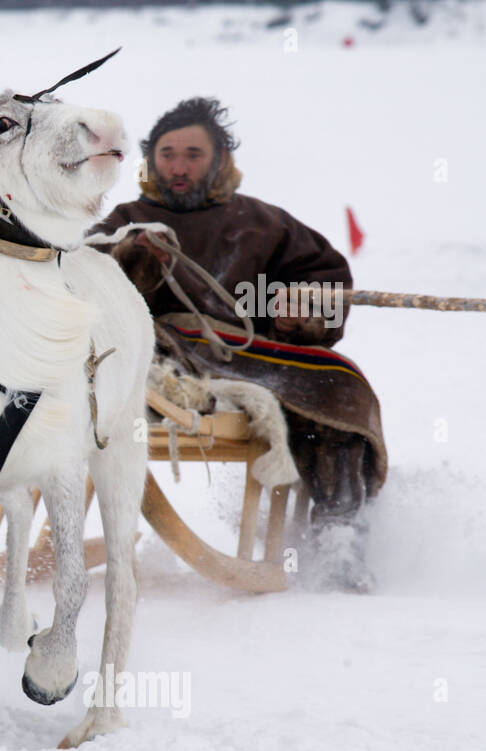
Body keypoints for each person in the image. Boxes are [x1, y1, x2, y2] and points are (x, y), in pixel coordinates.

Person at [93, 97, 386, 592]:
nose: (179, 167)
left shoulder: (265, 223)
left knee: (338, 385)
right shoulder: (130, 218)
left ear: (221, 159)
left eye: (193, 154)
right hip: (160, 358)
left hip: (250, 357)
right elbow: (83, 278)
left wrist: (303, 314)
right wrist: (128, 257)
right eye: (167, 154)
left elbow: (326, 281)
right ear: (150, 159)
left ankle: (339, 539)